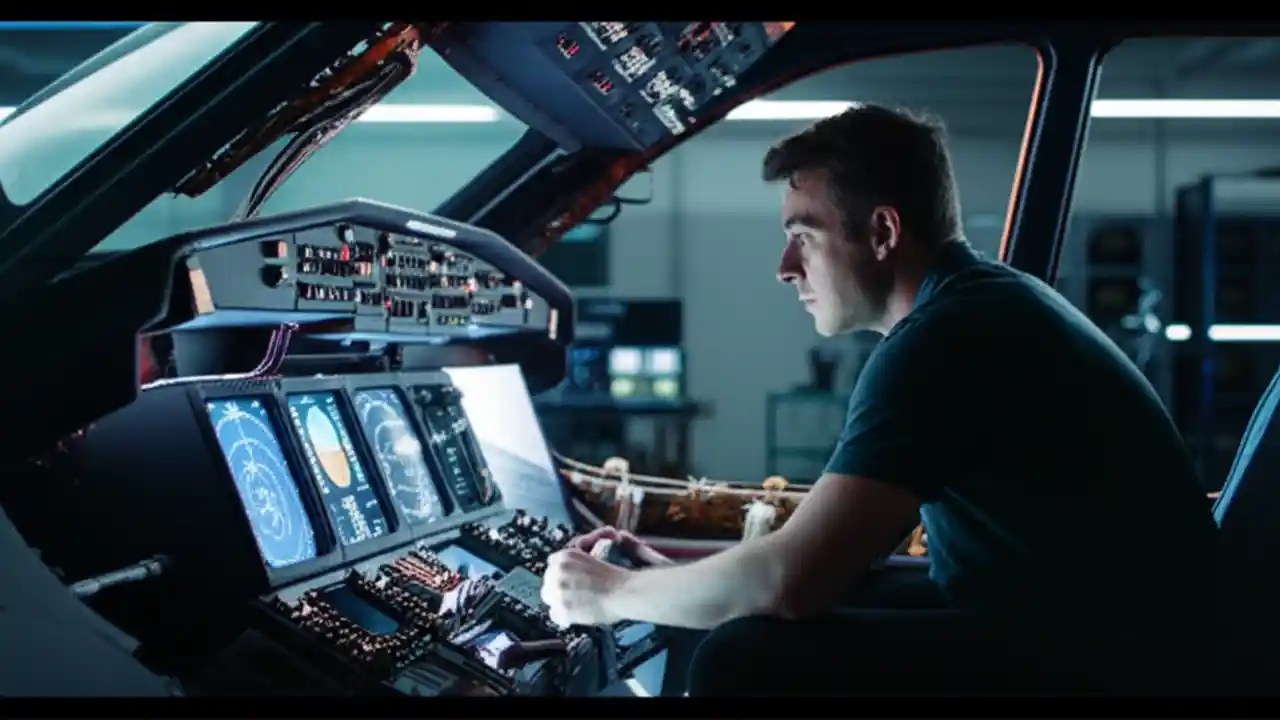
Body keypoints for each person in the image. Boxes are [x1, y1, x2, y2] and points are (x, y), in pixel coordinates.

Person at [540, 103, 1220, 695]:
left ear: (884, 233)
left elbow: (790, 580)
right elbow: (833, 558)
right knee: (773, 612)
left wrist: (613, 595)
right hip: (1110, 631)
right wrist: (679, 580)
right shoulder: (983, 302)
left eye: (803, 236)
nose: (785, 268)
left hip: (1117, 664)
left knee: (745, 658)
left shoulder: (943, 342)